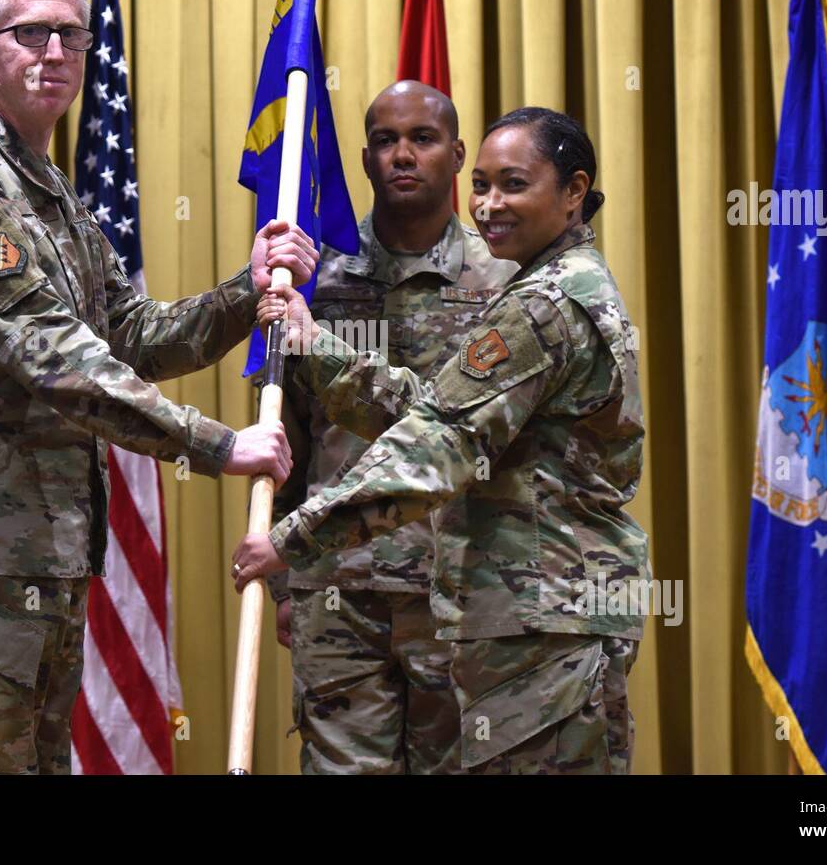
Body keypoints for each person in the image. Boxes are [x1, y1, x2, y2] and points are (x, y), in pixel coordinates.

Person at [0, 0, 317, 774]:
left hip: (50, 557)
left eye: (70, 34)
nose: (54, 51)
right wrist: (218, 445)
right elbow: (54, 355)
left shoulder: (55, 199)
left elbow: (134, 335)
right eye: (30, 33)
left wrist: (244, 290)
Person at [235, 107, 649, 775]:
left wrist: (290, 541)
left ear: (573, 191)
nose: (489, 205)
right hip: (534, 616)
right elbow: (437, 410)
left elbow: (439, 441)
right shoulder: (556, 287)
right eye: (481, 185)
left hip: (543, 625)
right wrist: (316, 347)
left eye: (513, 184)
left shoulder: (545, 305)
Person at [265, 81, 518, 774]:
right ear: (366, 159)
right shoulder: (318, 281)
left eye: (423, 139)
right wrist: (286, 581)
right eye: (385, 141)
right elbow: (286, 440)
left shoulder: (506, 283)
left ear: (458, 154)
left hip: (463, 592)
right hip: (340, 596)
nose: (402, 154)